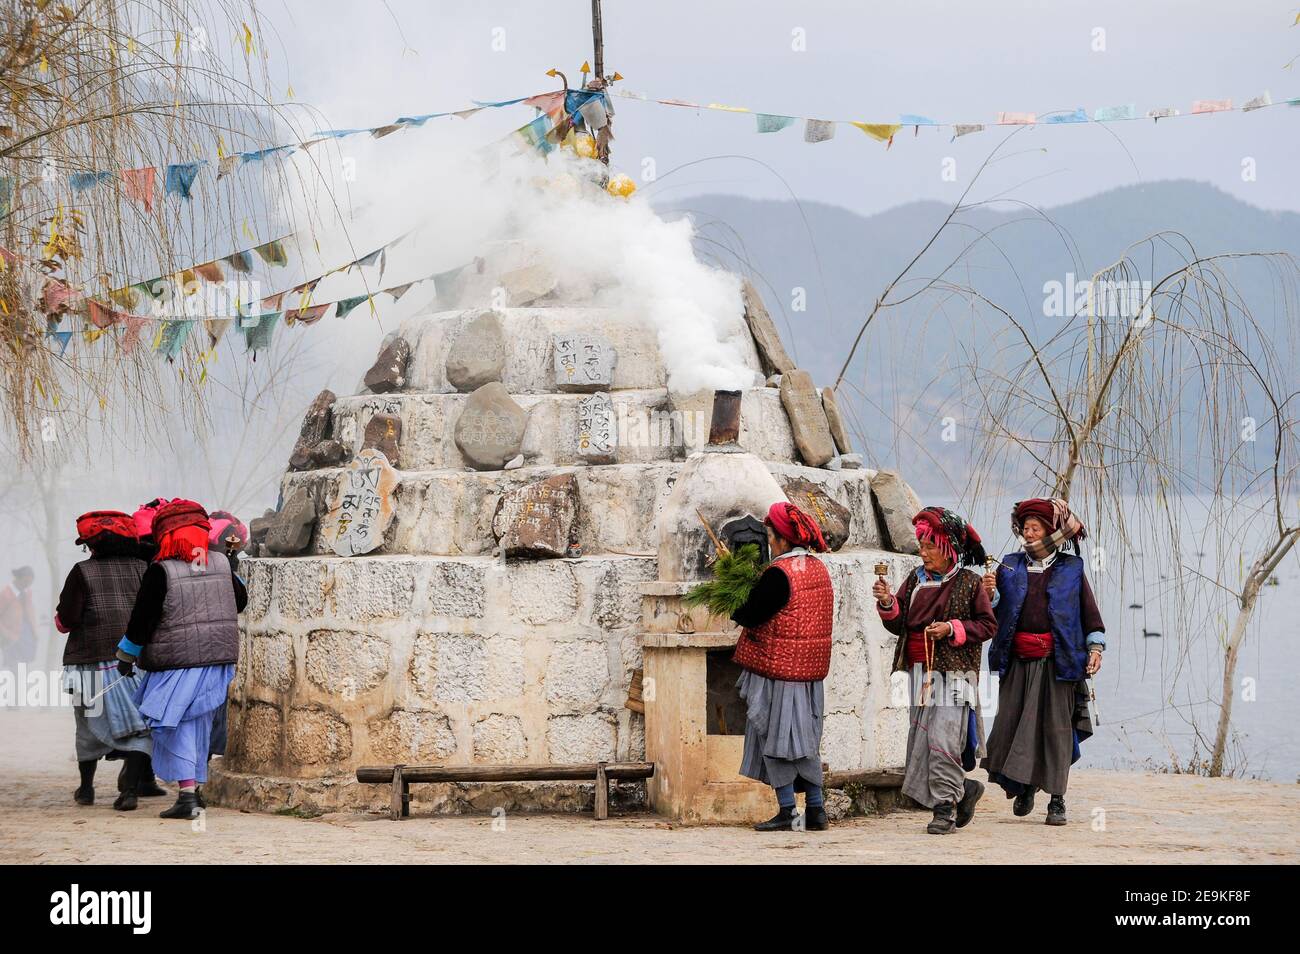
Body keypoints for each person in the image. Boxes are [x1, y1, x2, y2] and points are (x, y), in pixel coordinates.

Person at [116, 500, 246, 820]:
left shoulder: (161, 571)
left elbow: (141, 620)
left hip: (177, 662)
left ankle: (187, 796)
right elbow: (240, 602)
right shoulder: (220, 563)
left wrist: (125, 655)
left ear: (166, 536)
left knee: (179, 725)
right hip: (217, 659)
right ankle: (194, 791)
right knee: (197, 722)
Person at [981, 497, 1104, 826]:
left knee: (1056, 732)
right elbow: (993, 613)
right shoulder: (1008, 566)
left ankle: (1057, 800)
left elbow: (1089, 614)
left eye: (1035, 528)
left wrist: (1095, 648)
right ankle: (1024, 786)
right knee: (1012, 726)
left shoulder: (1071, 569)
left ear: (1051, 531)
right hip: (1018, 660)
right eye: (1025, 528)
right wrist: (990, 594)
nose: (1029, 533)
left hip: (1058, 662)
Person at [874, 507, 996, 834]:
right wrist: (888, 602)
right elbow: (899, 623)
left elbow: (987, 626)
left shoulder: (969, 583)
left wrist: (953, 629)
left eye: (930, 546)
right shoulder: (915, 579)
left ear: (950, 547)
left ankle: (944, 810)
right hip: (918, 675)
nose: (923, 552)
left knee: (943, 742)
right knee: (925, 744)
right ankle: (964, 790)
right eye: (921, 545)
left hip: (955, 676)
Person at [729, 501, 834, 832]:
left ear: (783, 539)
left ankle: (789, 811)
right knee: (805, 742)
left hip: (779, 674)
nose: (770, 541)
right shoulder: (817, 568)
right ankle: (815, 810)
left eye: (771, 535)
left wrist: (736, 598)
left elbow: (750, 613)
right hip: (809, 676)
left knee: (777, 740)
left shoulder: (778, 574)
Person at [55, 511, 164, 810]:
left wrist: (59, 620)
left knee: (87, 728)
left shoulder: (81, 572)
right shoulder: (145, 568)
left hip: (89, 661)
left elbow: (67, 619)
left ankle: (86, 789)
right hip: (135, 662)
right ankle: (129, 791)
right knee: (140, 727)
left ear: (94, 545)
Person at [204, 510, 248, 775]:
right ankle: (204, 766)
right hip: (221, 648)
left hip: (191, 651)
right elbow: (240, 604)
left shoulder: (192, 566)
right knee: (215, 705)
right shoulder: (230, 572)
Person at [0, 566, 37, 669]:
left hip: (26, 635)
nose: (27, 585)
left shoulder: (27, 592)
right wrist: (5, 633)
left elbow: (30, 611)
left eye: (29, 583)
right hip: (10, 636)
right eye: (25, 582)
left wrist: (34, 631)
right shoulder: (5, 594)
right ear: (19, 578)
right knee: (12, 665)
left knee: (24, 665)